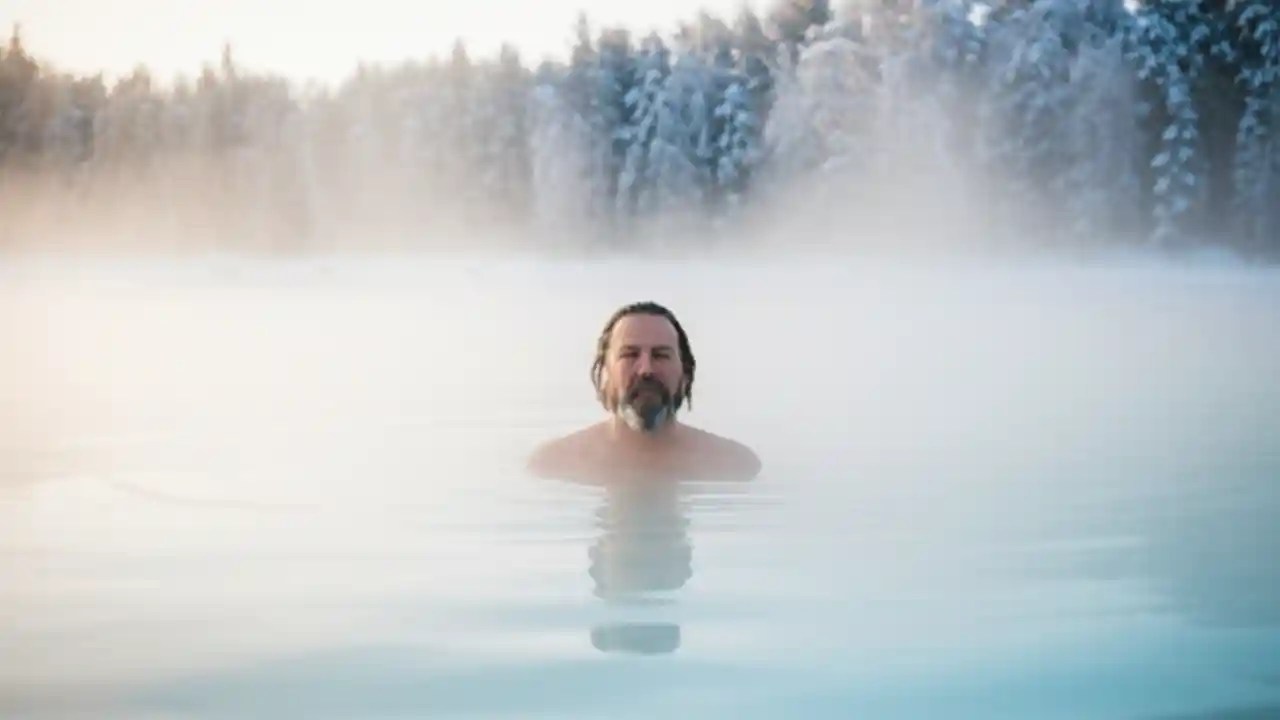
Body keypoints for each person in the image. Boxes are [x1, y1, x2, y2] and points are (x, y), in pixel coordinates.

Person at [527, 301, 761, 483]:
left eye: (661, 355)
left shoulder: (736, 465)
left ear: (685, 373)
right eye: (630, 355)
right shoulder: (552, 465)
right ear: (605, 372)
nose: (646, 369)